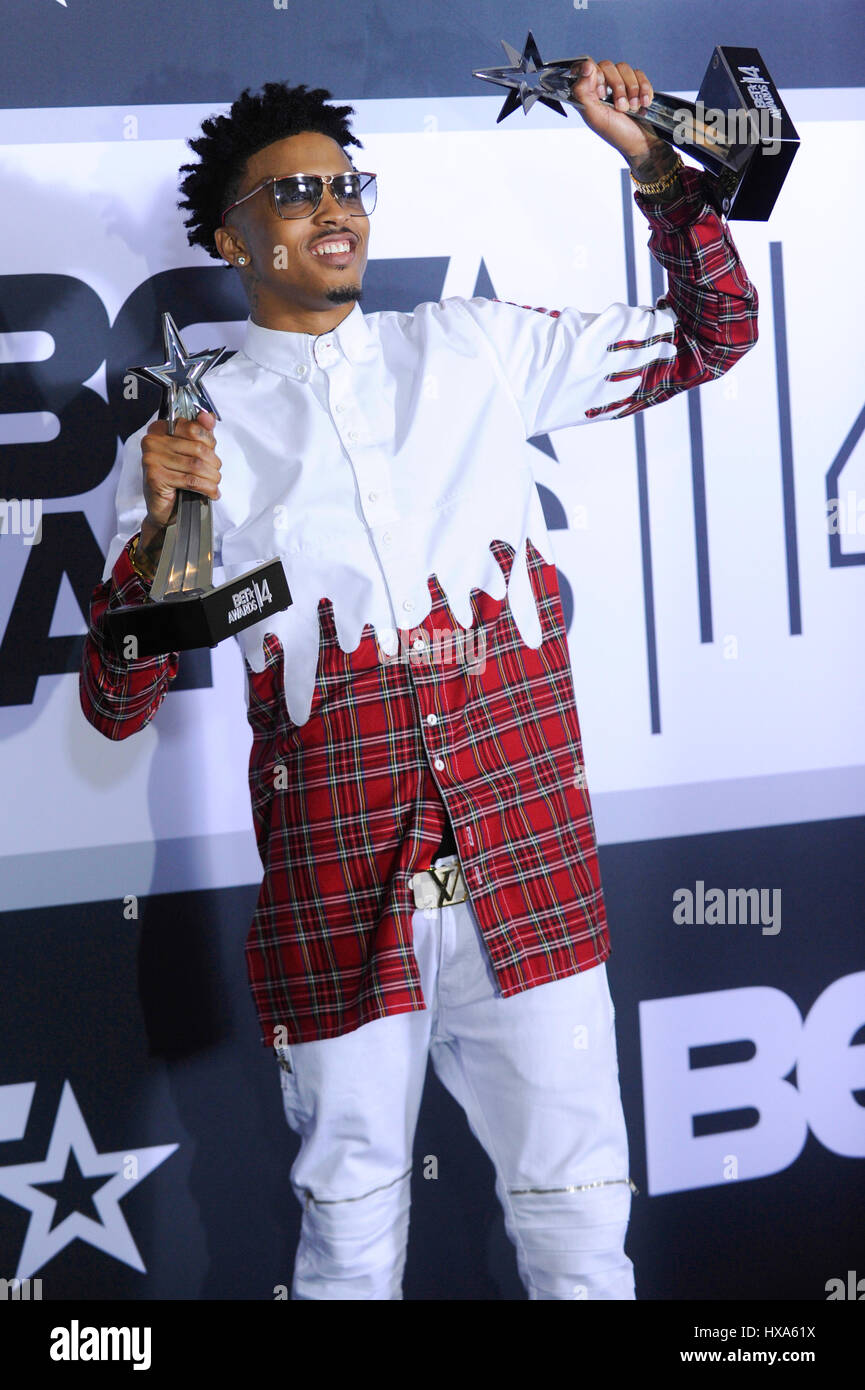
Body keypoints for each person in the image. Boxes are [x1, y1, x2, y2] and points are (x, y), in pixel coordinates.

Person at [80, 63, 758, 1300]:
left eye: (346, 183)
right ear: (231, 236)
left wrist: (652, 165)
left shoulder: (475, 347)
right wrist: (152, 539)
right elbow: (116, 698)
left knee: (577, 1219)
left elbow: (716, 332)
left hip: (526, 860)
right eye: (293, 192)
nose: (332, 208)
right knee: (347, 1242)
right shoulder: (193, 435)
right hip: (340, 894)